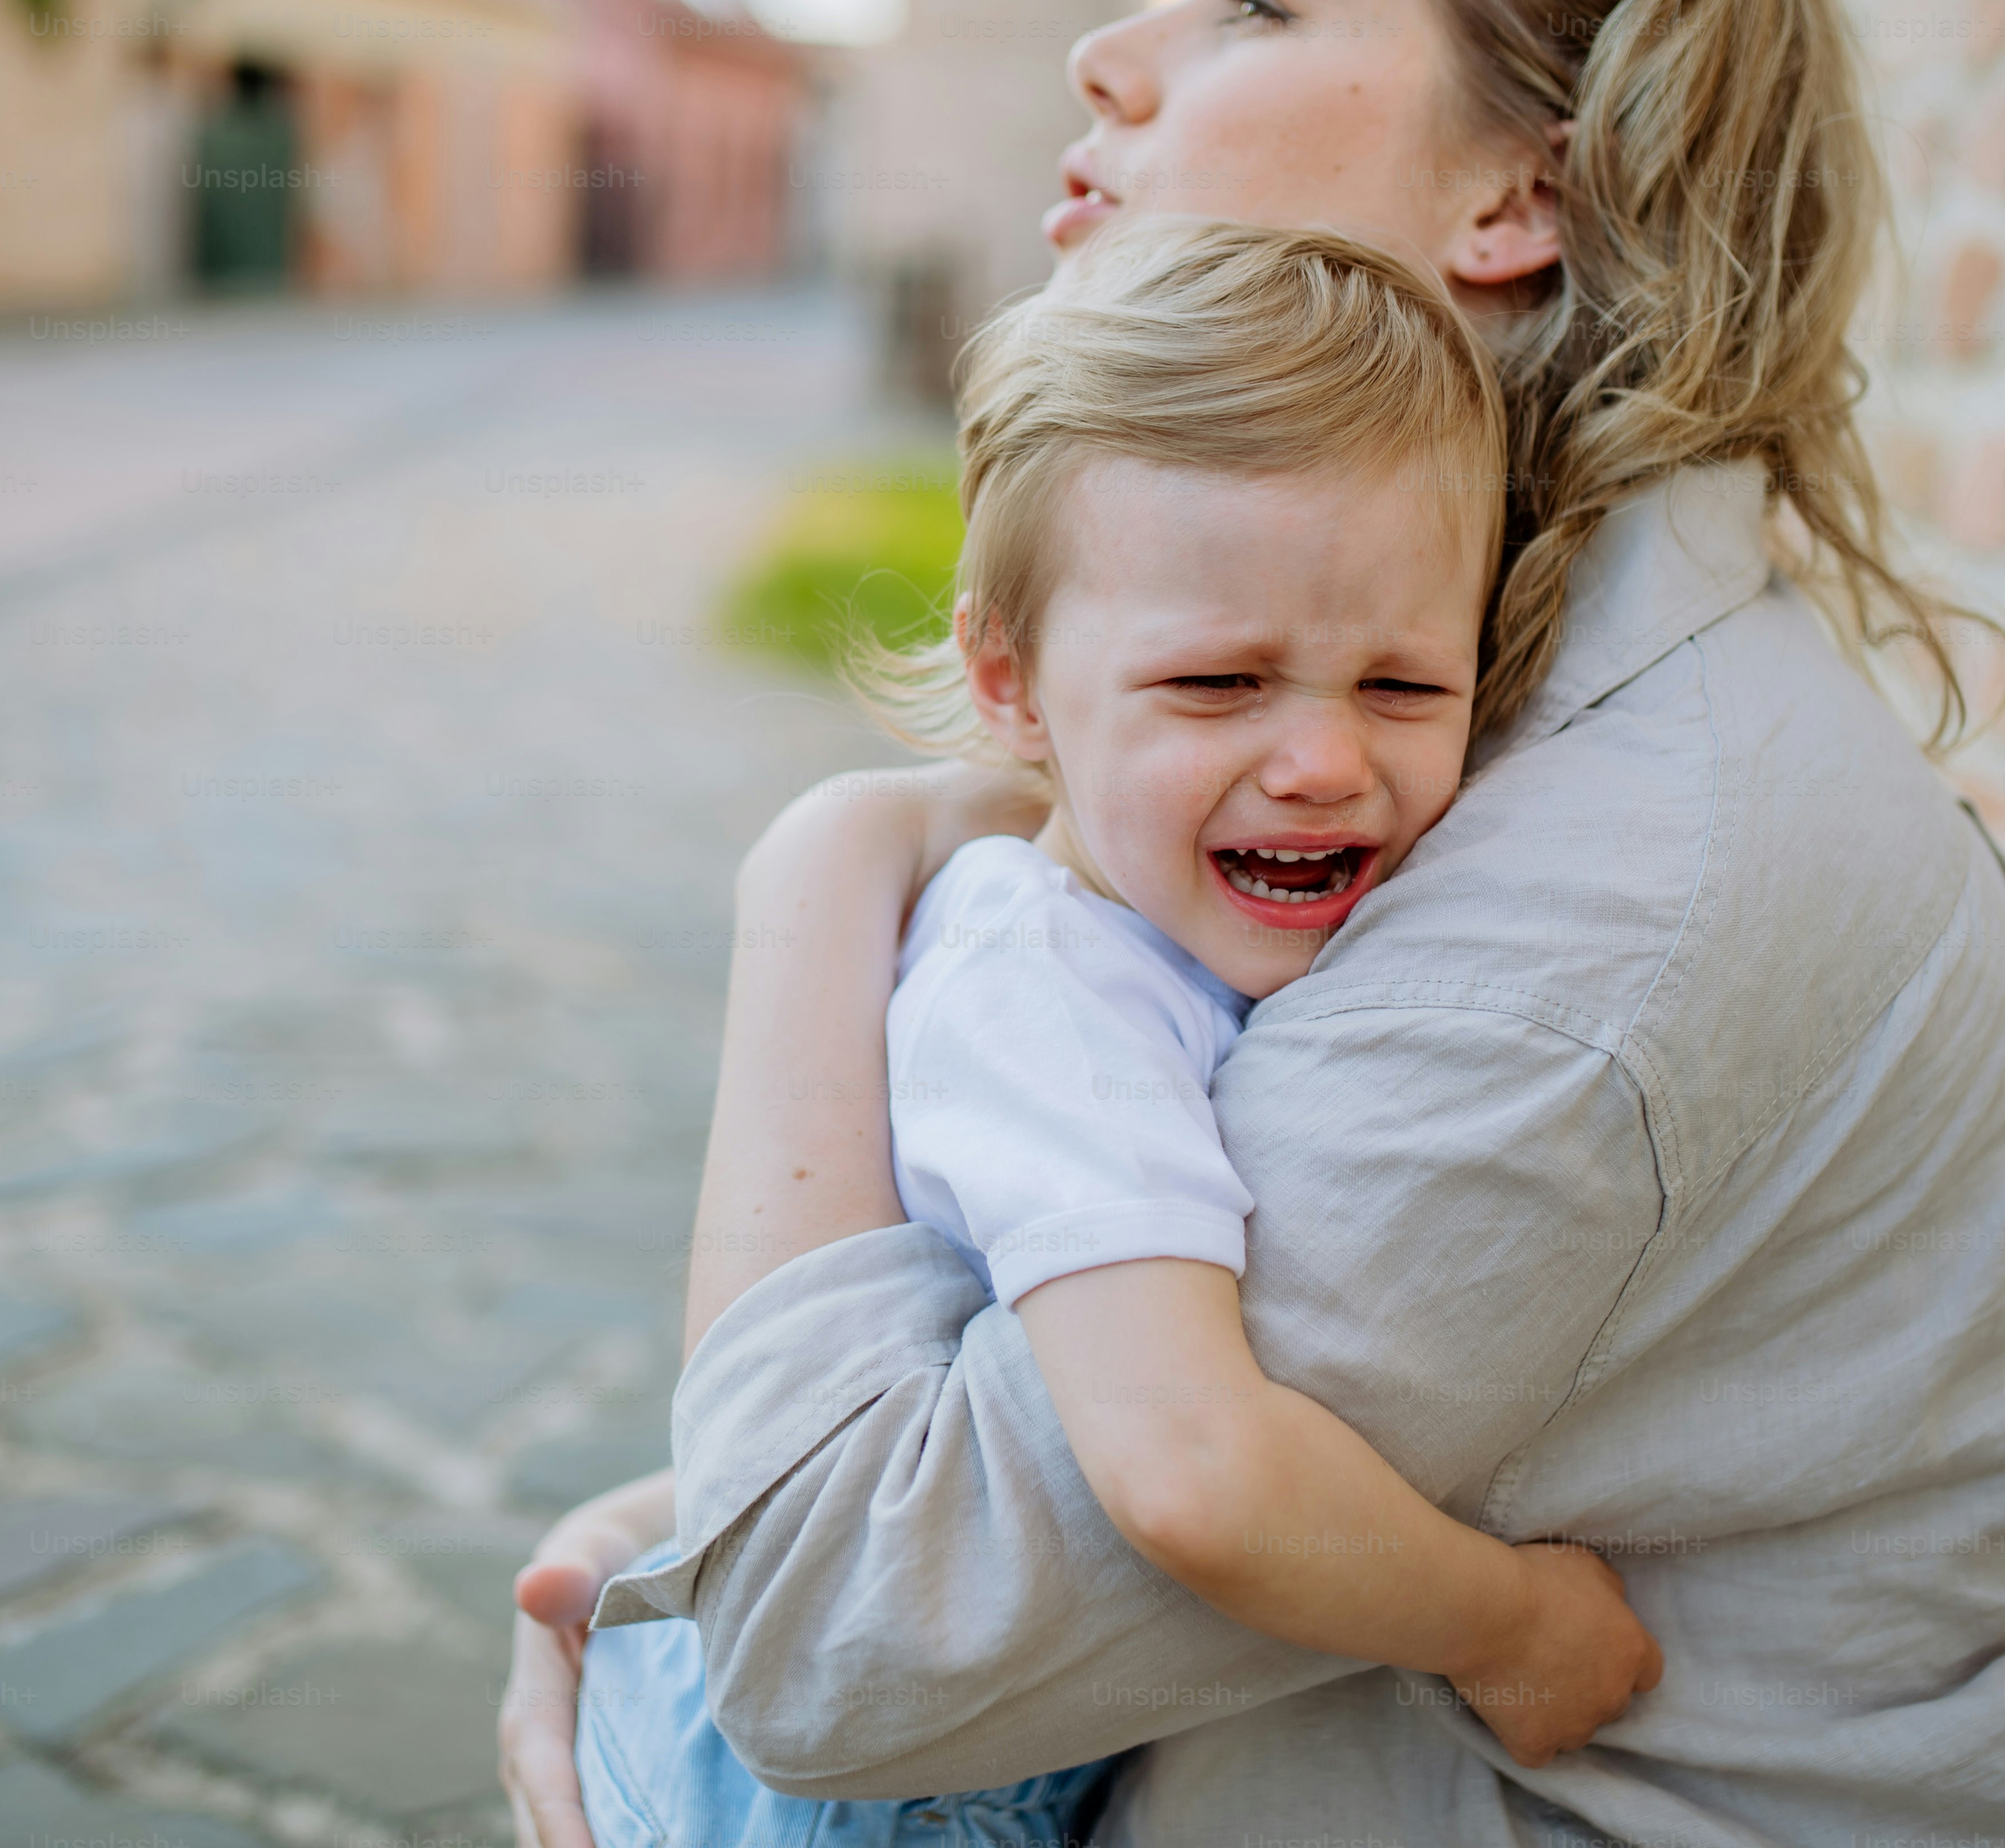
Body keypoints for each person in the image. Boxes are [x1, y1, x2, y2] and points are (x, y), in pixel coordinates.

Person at [507, 0, 2005, 1839]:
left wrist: (824, 862)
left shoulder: (1590, 916)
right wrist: (653, 1529)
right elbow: (1063, 1368)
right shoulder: (1487, 702)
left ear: (1526, 189)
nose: (1108, 50)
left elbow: (817, 1638)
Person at [566, 221, 1664, 1847]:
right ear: (1010, 685)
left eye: (1404, 687)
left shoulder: (1173, 922)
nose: (1317, 760)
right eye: (1220, 683)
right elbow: (1190, 1471)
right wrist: (1510, 1626)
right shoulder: (1053, 1003)